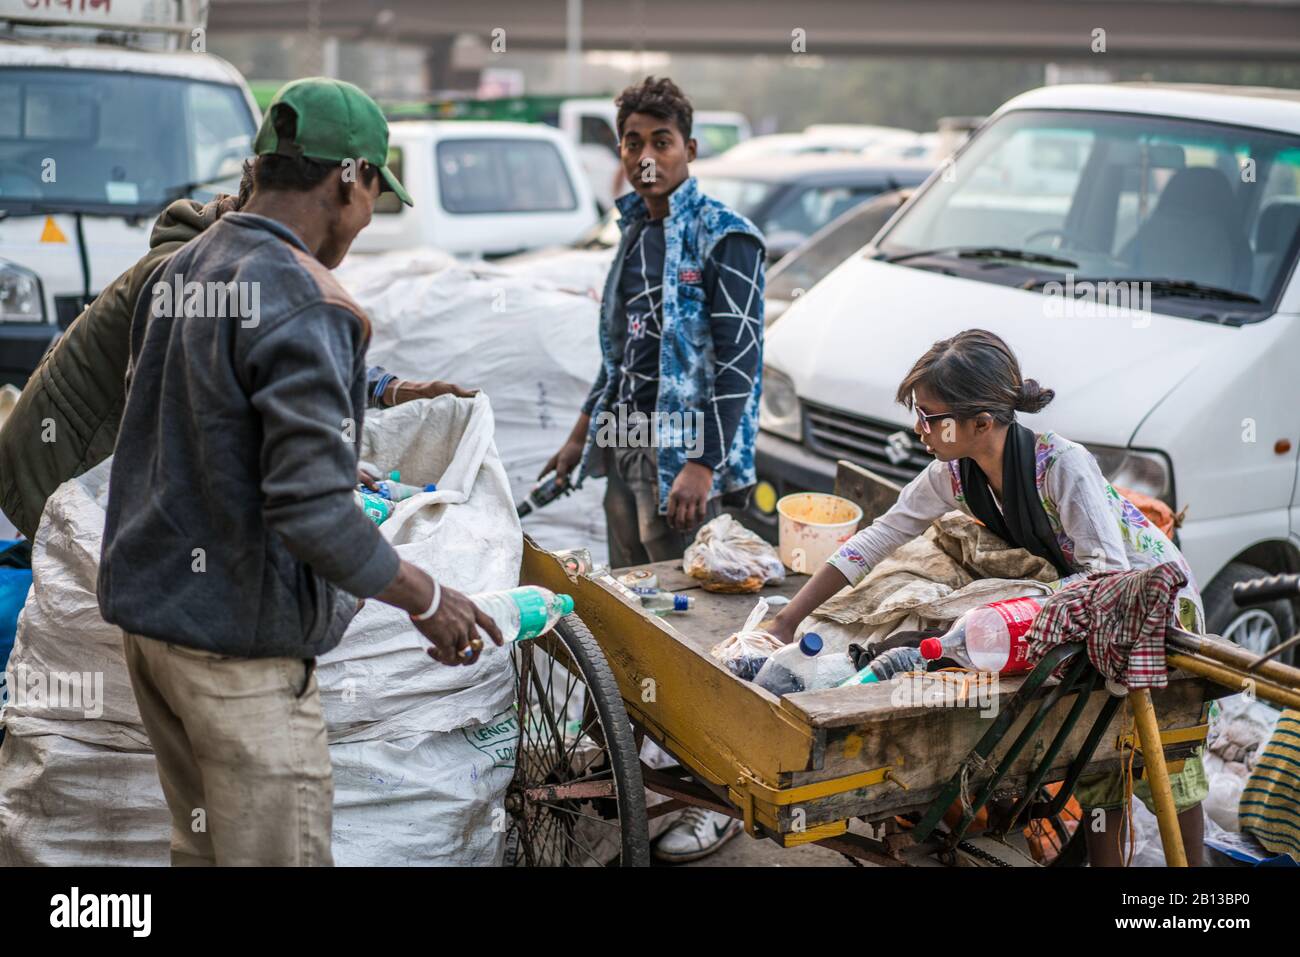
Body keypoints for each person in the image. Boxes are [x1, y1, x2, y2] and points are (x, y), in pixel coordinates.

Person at [97, 78, 503, 867]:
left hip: (153, 629)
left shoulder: (185, 268)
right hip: (236, 656)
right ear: (350, 180)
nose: (369, 217)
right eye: (375, 194)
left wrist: (380, 390)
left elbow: (206, 406)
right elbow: (312, 511)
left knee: (200, 850)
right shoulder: (310, 300)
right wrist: (428, 597)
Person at [768, 329, 1209, 866]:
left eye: (930, 416)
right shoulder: (954, 474)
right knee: (1098, 764)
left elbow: (1110, 575)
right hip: (1080, 610)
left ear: (980, 423)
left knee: (1168, 766)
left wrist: (1008, 606)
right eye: (919, 414)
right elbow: (881, 536)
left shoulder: (1060, 465)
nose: (919, 428)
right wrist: (789, 619)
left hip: (1154, 611)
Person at [540, 76, 766, 862]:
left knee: (699, 638)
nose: (645, 156)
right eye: (632, 141)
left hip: (688, 465)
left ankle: (716, 799)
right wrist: (581, 435)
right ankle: (637, 767)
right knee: (635, 620)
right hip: (628, 454)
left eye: (660, 141)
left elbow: (739, 362)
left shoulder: (726, 236)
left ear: (689, 149)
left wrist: (703, 461)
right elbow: (619, 359)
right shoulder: (635, 233)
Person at [0, 170, 473, 542]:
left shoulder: (246, 265)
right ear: (326, 201)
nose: (346, 249)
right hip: (59, 477)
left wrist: (389, 389)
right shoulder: (193, 276)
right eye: (355, 222)